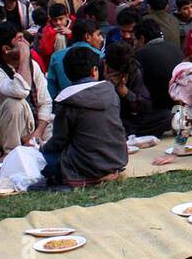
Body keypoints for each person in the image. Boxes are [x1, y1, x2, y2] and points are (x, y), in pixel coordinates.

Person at [40, 44, 129, 186]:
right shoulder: (111, 92)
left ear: (67, 73)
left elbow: (60, 139)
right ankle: (106, 172)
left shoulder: (67, 101)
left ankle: (90, 177)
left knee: (45, 161)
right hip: (117, 158)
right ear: (94, 71)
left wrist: (42, 148)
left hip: (85, 163)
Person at [0, 23, 52, 156]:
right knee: (15, 103)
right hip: (6, 133)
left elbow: (45, 102)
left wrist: (37, 133)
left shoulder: (33, 66)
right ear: (6, 49)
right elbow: (21, 91)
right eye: (20, 40)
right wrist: (25, 55)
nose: (26, 43)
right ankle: (12, 154)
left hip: (35, 126)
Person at [103, 41, 173, 137]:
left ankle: (126, 134)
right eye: (115, 74)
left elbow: (146, 106)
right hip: (110, 120)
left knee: (166, 116)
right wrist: (106, 85)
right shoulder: (97, 71)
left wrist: (125, 91)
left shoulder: (132, 69)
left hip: (130, 120)